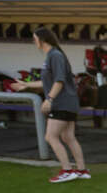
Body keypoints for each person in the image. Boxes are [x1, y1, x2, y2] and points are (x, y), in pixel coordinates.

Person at [10, 26, 88, 183]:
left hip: (62, 103)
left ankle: (67, 170)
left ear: (42, 39)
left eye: (35, 39)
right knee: (68, 137)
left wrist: (49, 99)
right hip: (67, 102)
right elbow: (48, 82)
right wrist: (26, 85)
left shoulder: (55, 55)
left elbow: (59, 81)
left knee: (50, 136)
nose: (34, 42)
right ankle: (81, 170)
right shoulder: (52, 56)